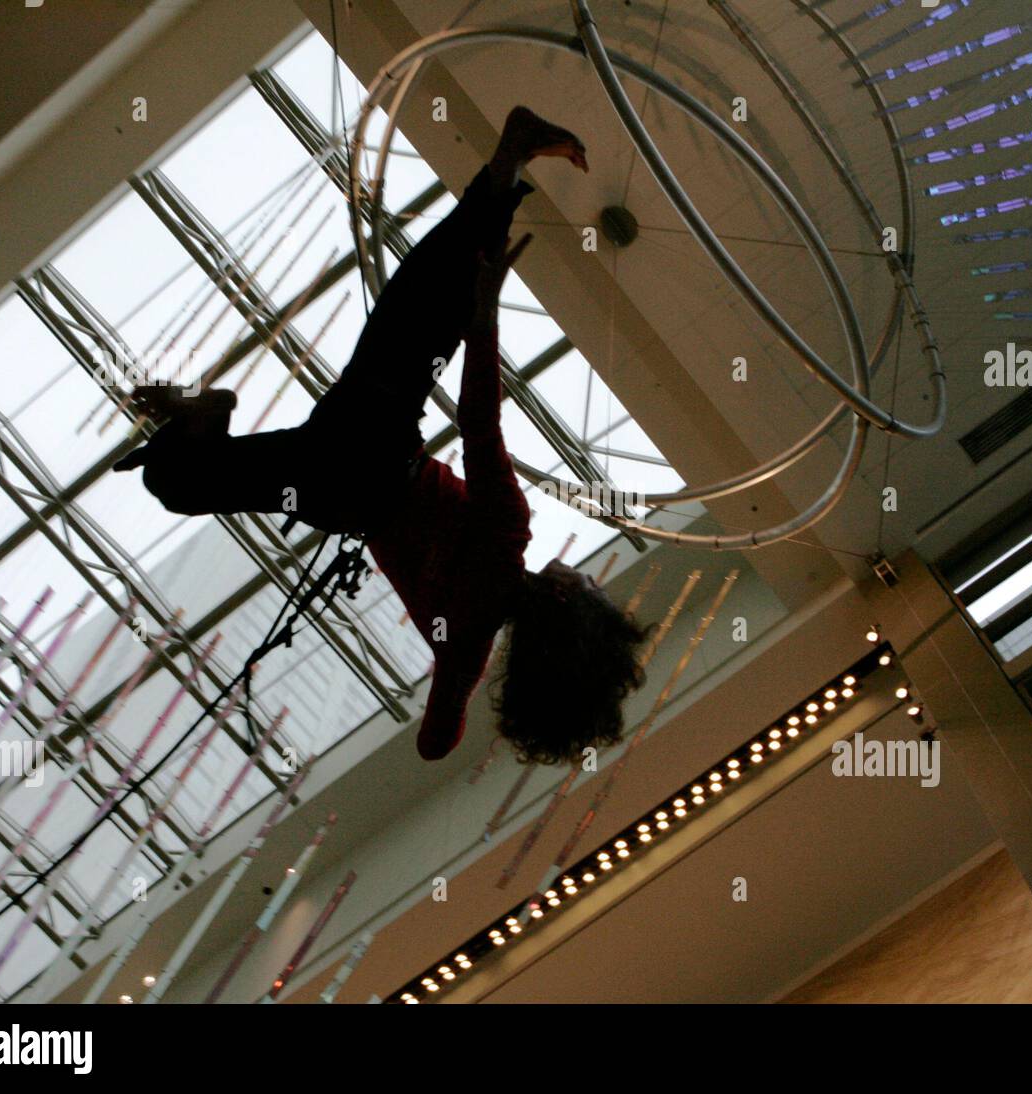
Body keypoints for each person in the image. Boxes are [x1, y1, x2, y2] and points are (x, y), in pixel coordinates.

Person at [114, 107, 650, 763]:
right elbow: (434, 743)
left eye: (589, 587)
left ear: (568, 596)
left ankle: (509, 159)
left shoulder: (508, 532)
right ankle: (205, 425)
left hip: (373, 443)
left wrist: (483, 321)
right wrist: (470, 677)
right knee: (175, 485)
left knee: (423, 308)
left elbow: (481, 422)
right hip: (337, 492)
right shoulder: (466, 650)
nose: (588, 577)